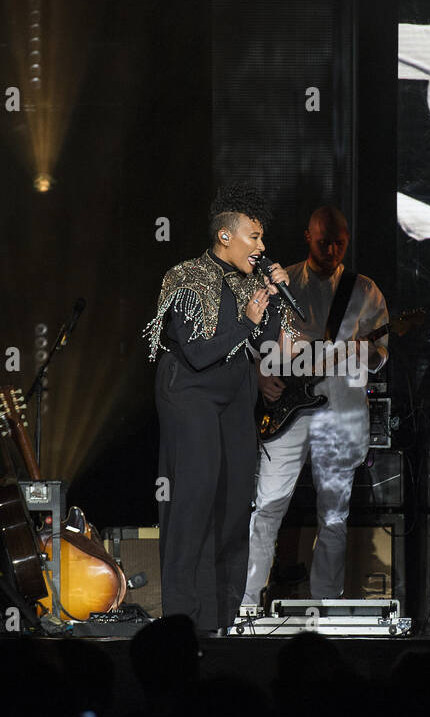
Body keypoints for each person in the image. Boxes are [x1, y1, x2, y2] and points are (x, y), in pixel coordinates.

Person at [143, 184, 293, 634]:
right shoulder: (186, 278)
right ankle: (182, 625)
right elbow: (198, 353)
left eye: (263, 238)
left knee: (231, 508)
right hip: (189, 395)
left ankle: (221, 622)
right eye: (254, 236)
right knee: (192, 505)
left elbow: (268, 350)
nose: (262, 246)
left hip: (233, 399)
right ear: (226, 236)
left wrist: (269, 307)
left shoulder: (252, 284)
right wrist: (247, 318)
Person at [244, 206, 388, 607]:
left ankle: (326, 604)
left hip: (339, 415)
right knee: (267, 509)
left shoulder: (365, 290)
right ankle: (247, 602)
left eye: (340, 243)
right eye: (324, 242)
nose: (332, 250)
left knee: (335, 516)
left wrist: (367, 353)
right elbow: (253, 336)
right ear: (308, 236)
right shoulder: (281, 283)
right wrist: (259, 374)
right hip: (287, 415)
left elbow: (381, 355)